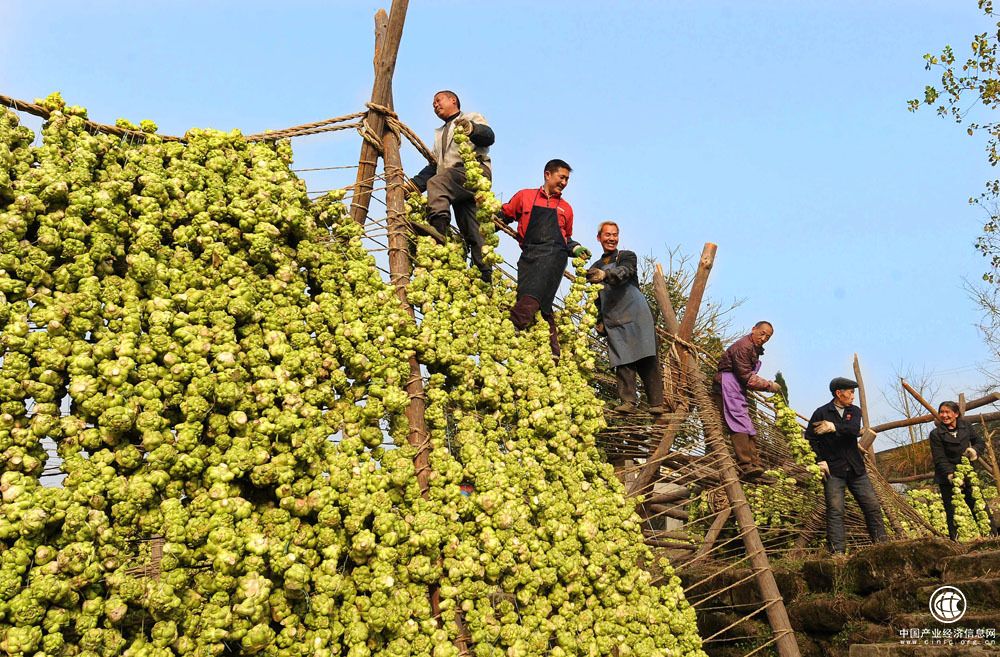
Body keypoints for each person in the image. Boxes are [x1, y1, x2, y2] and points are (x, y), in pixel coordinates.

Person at [500, 159, 590, 356]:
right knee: (540, 304)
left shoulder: (566, 208)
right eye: (561, 177)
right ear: (547, 175)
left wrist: (575, 248)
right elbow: (505, 214)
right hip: (529, 255)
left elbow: (566, 238)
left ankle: (513, 324)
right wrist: (482, 223)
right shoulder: (525, 196)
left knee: (533, 293)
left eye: (567, 179)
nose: (564, 183)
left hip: (554, 257)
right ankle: (553, 352)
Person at [410, 90, 495, 283]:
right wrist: (413, 185)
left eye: (438, 100)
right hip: (454, 184)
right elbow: (434, 167)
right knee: (473, 229)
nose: (435, 105)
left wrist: (472, 129)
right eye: (433, 104)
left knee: (437, 183)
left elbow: (489, 136)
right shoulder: (440, 134)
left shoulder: (470, 117)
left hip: (474, 172)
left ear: (453, 100)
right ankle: (485, 275)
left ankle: (438, 228)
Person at [586, 221, 665, 415]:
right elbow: (597, 298)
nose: (611, 238)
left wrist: (605, 275)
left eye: (615, 235)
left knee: (647, 356)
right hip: (614, 318)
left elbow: (624, 272)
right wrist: (599, 319)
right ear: (599, 238)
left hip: (636, 314)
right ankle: (628, 402)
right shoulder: (594, 267)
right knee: (622, 360)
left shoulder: (626, 256)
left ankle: (657, 403)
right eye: (607, 235)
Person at [805, 377, 888, 554]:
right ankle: (838, 553)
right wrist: (819, 460)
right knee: (835, 511)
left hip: (856, 469)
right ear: (838, 393)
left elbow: (853, 429)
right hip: (833, 470)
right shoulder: (821, 413)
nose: (852, 396)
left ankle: (883, 547)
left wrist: (833, 427)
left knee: (872, 506)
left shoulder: (854, 411)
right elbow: (810, 439)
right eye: (850, 392)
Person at [713, 322, 782, 478]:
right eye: (762, 333)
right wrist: (768, 385)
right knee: (738, 421)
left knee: (747, 425)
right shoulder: (743, 347)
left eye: (768, 337)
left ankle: (754, 464)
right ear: (753, 329)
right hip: (728, 383)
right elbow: (746, 377)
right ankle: (745, 465)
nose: (764, 338)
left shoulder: (753, 348)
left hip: (736, 385)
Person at [929, 401, 998, 540]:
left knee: (979, 505)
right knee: (953, 511)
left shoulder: (965, 426)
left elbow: (979, 441)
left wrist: (974, 450)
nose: (944, 415)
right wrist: (951, 475)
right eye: (941, 412)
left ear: (956, 414)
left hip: (967, 473)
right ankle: (956, 542)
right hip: (948, 477)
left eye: (947, 412)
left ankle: (993, 537)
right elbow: (939, 458)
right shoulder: (936, 434)